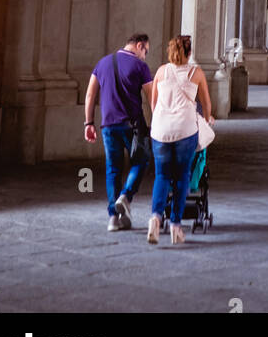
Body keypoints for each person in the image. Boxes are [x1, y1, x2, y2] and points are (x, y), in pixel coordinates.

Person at [147, 34, 213, 246]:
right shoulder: (196, 72)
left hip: (160, 131)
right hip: (185, 130)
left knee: (162, 175)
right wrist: (207, 118)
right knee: (182, 175)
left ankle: (156, 217)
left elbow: (153, 102)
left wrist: (161, 119)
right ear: (189, 52)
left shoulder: (161, 71)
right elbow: (207, 104)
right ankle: (176, 225)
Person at [84, 33, 153, 232]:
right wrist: (157, 121)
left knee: (112, 169)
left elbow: (90, 94)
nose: (145, 56)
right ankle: (125, 196)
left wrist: (88, 123)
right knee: (141, 160)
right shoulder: (140, 67)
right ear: (139, 45)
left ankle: (113, 219)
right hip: (132, 125)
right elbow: (151, 97)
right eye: (146, 51)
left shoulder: (103, 63)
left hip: (107, 125)